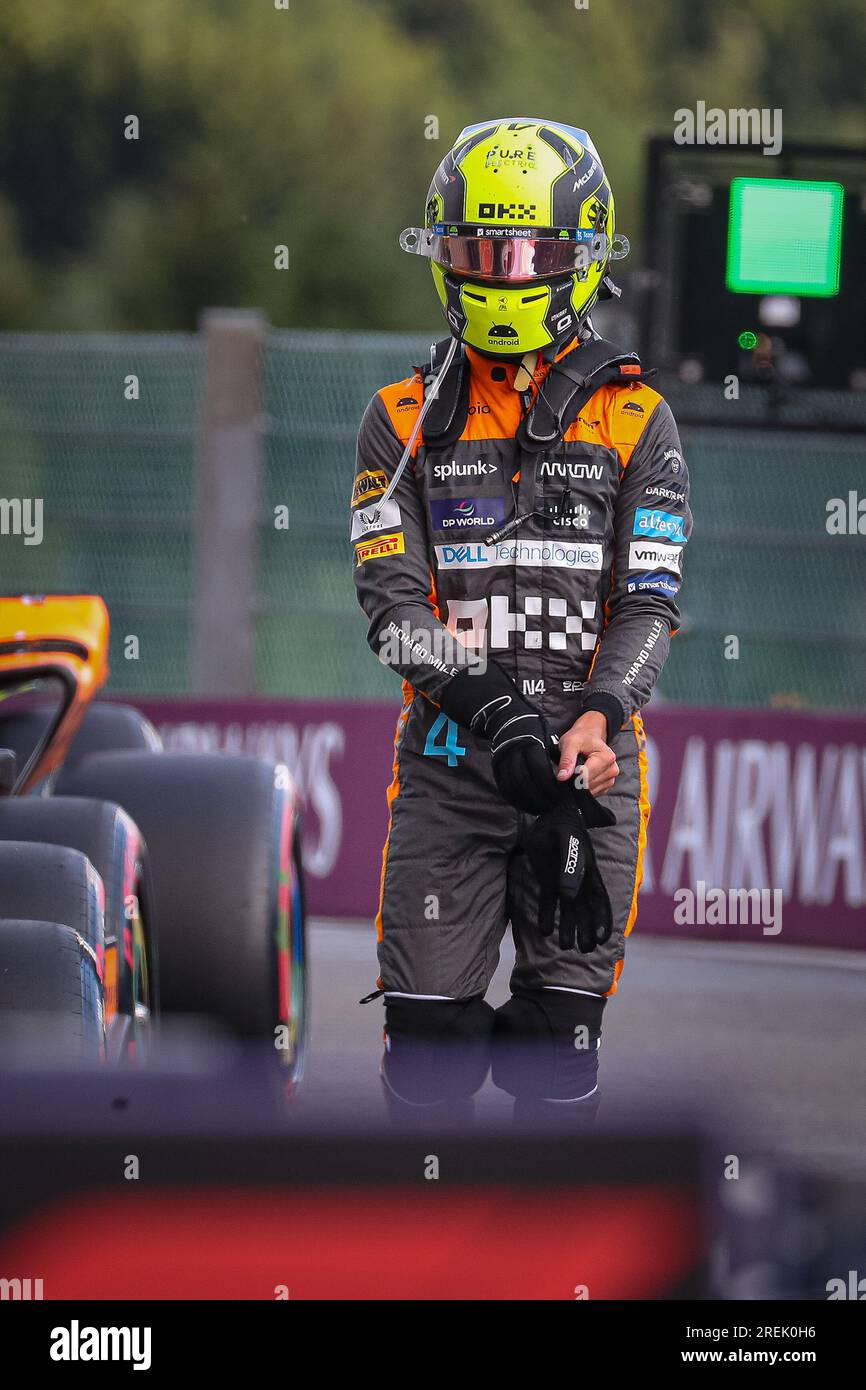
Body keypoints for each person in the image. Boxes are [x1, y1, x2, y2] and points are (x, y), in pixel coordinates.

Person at [351, 118, 692, 1125]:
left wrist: (592, 723)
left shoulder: (636, 418)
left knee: (553, 1056)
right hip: (449, 774)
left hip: (584, 782)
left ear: (579, 256)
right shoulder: (398, 414)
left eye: (524, 257)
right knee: (427, 1055)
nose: (499, 277)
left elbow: (647, 600)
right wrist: (493, 712)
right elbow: (390, 609)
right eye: (473, 254)